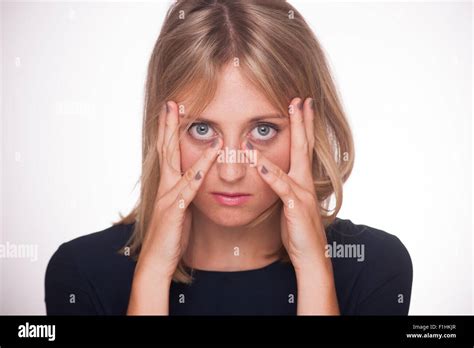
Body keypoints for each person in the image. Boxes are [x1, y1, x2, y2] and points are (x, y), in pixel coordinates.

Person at [45, 0, 413, 315]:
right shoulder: (81, 271)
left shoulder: (374, 265)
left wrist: (315, 272)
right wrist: (153, 273)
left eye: (263, 130)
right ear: (162, 129)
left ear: (308, 129)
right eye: (202, 129)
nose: (232, 170)